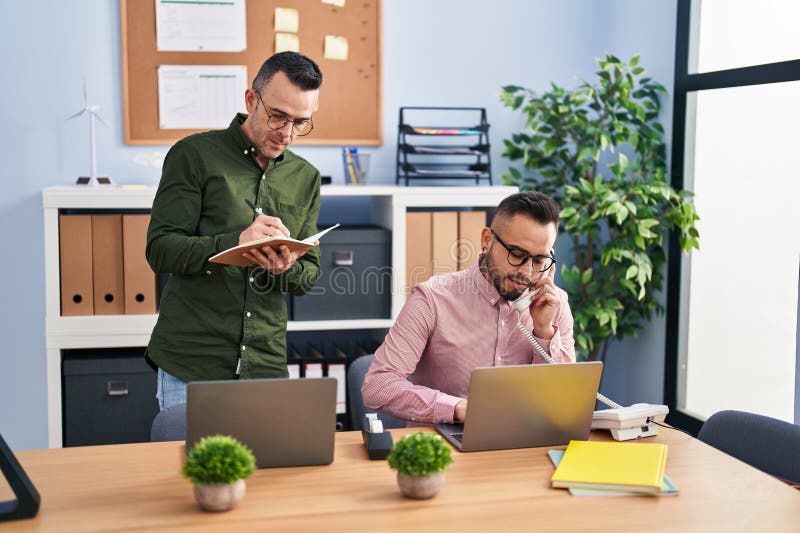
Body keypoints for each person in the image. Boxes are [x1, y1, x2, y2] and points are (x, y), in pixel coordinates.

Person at [146, 52, 324, 410]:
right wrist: (235, 243)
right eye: (278, 117)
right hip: (192, 363)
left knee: (269, 467)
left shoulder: (306, 178)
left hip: (266, 366)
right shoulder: (194, 156)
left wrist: (285, 267)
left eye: (300, 123)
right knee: (187, 468)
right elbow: (160, 250)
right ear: (250, 100)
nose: (286, 134)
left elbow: (309, 276)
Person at [362, 191, 575, 424]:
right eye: (517, 254)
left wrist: (544, 332)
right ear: (487, 240)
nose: (526, 271)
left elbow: (562, 404)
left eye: (539, 260)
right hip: (446, 448)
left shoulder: (554, 305)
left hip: (523, 446)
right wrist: (459, 409)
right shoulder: (432, 298)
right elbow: (378, 385)